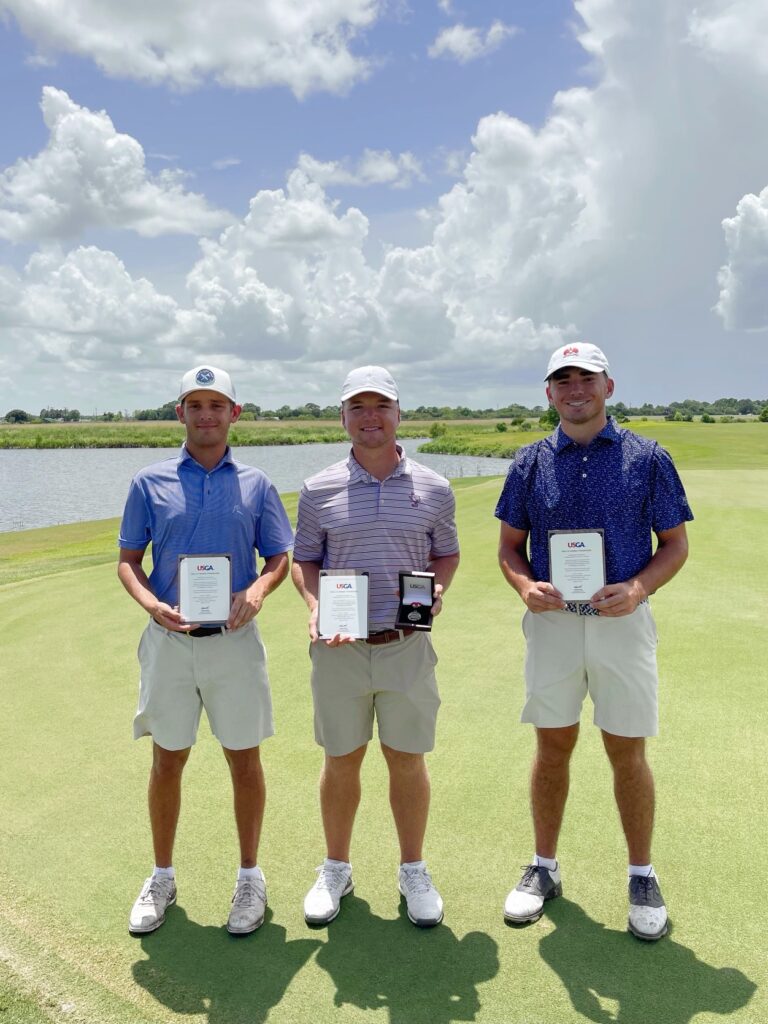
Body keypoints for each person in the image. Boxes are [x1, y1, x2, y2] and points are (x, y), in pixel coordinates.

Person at [495, 343, 693, 941]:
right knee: (551, 746)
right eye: (563, 380)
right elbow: (509, 549)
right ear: (549, 393)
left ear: (609, 387)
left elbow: (675, 545)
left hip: (621, 623)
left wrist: (637, 587)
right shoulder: (529, 463)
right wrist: (524, 585)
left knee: (627, 751)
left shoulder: (648, 458)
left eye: (587, 377)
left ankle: (641, 875)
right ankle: (544, 867)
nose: (575, 388)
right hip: (554, 624)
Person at [118, 365, 293, 936]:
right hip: (169, 640)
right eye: (195, 405)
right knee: (167, 759)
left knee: (244, 759)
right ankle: (162, 876)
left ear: (234, 413)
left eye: (217, 405)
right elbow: (128, 561)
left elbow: (278, 558)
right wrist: (151, 603)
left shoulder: (257, 484)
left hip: (234, 643)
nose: (206, 415)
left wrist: (258, 591)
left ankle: (250, 878)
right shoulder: (149, 482)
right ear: (181, 413)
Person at [291, 365, 460, 928]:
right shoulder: (317, 489)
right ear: (342, 417)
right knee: (341, 759)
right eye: (357, 407)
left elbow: (446, 553)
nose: (370, 417)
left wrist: (438, 588)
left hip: (405, 642)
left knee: (406, 759)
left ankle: (413, 869)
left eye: (380, 406)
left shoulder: (434, 488)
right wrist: (315, 605)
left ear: (398, 413)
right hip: (339, 646)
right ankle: (336, 867)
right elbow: (305, 559)